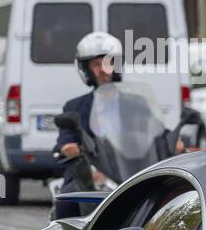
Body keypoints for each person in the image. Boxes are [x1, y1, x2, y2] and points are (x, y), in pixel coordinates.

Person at [53, 32, 182, 219]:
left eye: (107, 62)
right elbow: (65, 139)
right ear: (86, 69)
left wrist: (173, 140)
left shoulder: (136, 103)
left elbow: (154, 128)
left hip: (131, 170)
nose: (102, 69)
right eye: (95, 64)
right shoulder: (75, 107)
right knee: (66, 201)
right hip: (91, 173)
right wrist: (67, 148)